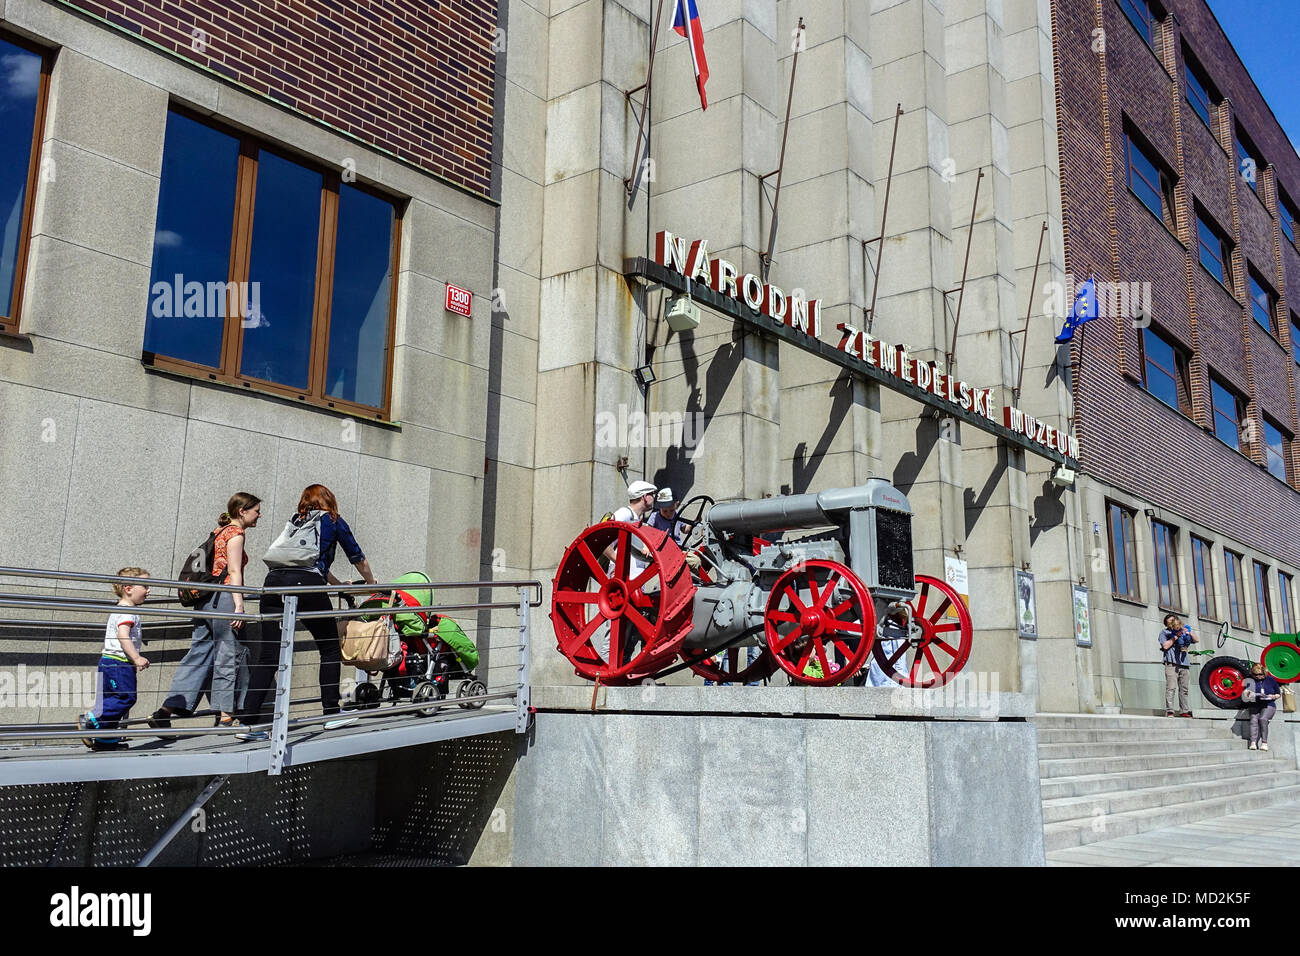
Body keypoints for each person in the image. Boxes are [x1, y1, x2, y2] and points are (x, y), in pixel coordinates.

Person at [247, 484, 376, 720]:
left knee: (269, 655)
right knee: (328, 648)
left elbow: (310, 563)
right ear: (329, 500)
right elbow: (357, 557)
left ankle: (246, 721)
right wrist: (371, 582)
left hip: (273, 583)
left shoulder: (297, 521)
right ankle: (330, 713)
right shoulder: (333, 519)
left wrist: (338, 587)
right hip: (306, 586)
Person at [151, 493, 263, 740]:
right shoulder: (235, 534)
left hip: (205, 602)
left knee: (199, 654)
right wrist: (239, 606)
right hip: (223, 599)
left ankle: (165, 711)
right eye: (256, 510)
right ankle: (226, 718)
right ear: (242, 511)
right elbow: (234, 572)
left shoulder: (219, 531)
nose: (259, 515)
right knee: (229, 653)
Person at [79, 568, 151, 750]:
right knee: (126, 698)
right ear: (128, 588)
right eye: (145, 586)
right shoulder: (128, 611)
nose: (149, 590)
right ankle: (91, 720)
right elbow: (123, 635)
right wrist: (136, 657)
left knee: (111, 701)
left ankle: (105, 741)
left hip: (108, 661)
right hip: (119, 663)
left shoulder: (119, 608)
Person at [1158, 613, 1197, 717]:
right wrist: (1175, 637)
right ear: (1166, 624)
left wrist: (1189, 633)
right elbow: (1165, 646)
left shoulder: (1182, 628)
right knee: (1171, 688)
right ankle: (1170, 710)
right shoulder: (1164, 633)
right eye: (1169, 622)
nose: (1172, 623)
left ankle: (1184, 711)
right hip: (1171, 663)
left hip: (1184, 663)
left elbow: (1196, 640)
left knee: (1184, 689)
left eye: (1173, 620)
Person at [1243, 663, 1282, 751]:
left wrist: (1273, 696)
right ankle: (1253, 742)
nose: (1258, 676)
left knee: (1263, 719)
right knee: (1253, 720)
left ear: (1264, 673)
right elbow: (1246, 694)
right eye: (1255, 675)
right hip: (1255, 703)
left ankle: (1264, 743)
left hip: (1269, 704)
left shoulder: (1271, 680)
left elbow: (1278, 693)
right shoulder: (1250, 680)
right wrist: (1254, 694)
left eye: (1260, 674)